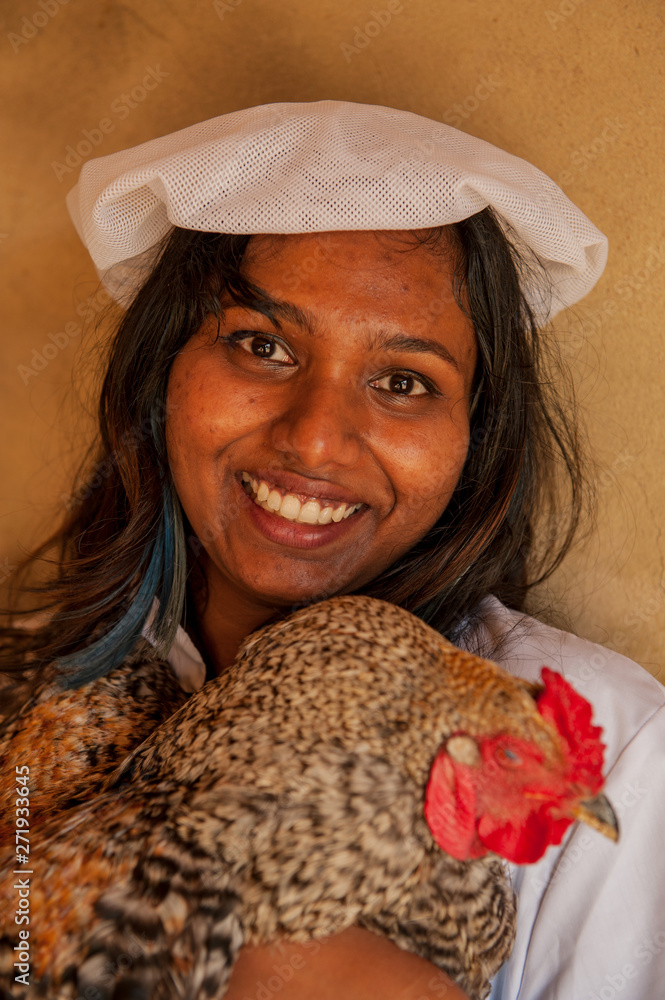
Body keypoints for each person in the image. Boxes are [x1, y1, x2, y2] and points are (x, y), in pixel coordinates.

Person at [1, 101, 663, 999]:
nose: (315, 441)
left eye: (403, 381)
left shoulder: (614, 742)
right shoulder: (38, 674)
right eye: (261, 345)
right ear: (163, 372)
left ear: (474, 431)